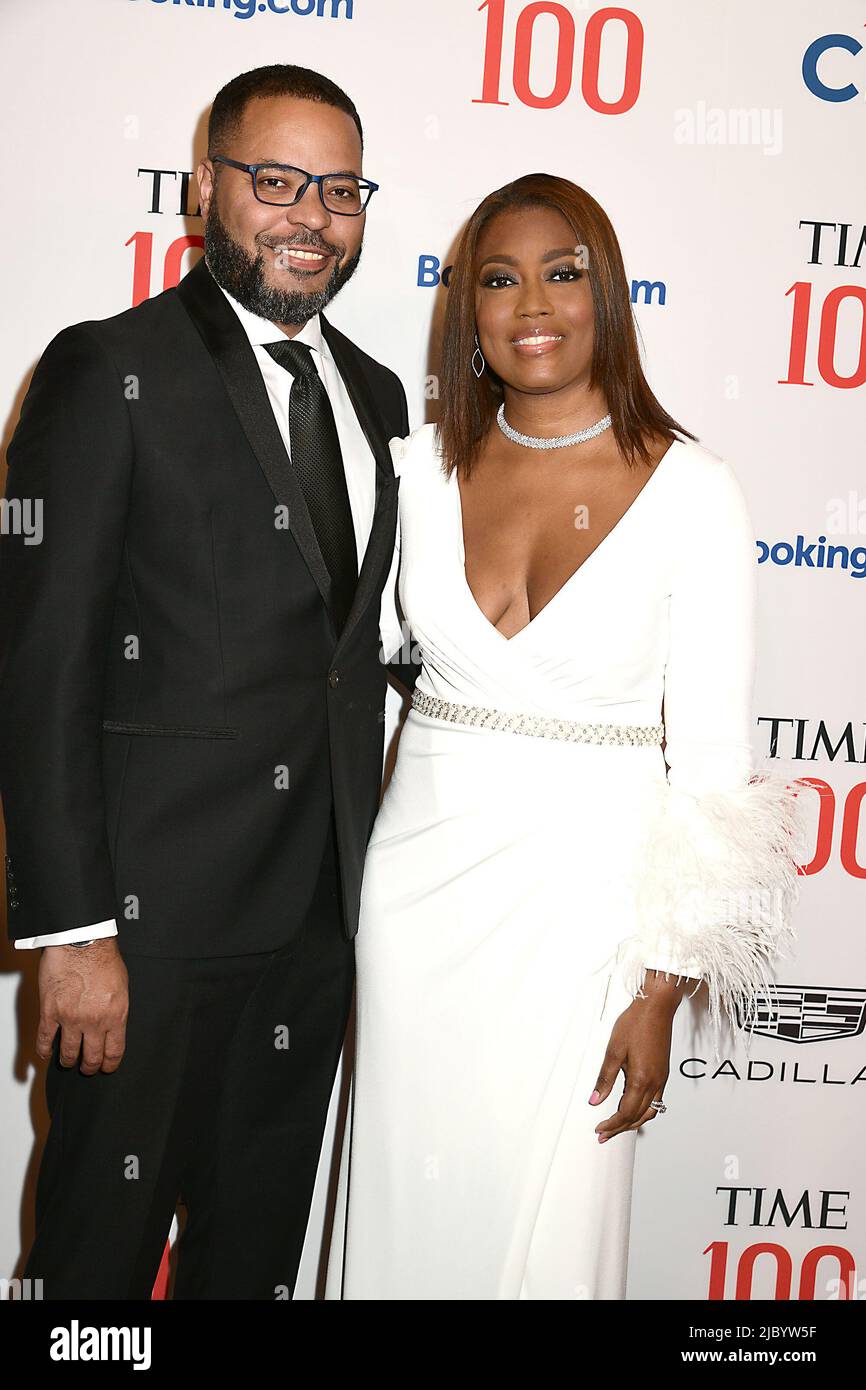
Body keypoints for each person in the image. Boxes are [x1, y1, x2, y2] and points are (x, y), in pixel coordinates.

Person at [325, 173, 809, 1300]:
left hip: (587, 921)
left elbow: (711, 771)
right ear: (467, 311)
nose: (530, 302)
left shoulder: (692, 488)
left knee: (552, 1234)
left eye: (561, 271)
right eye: (499, 278)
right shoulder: (418, 467)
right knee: (407, 1200)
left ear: (607, 294)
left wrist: (661, 987)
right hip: (413, 906)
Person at [0, 64, 417, 1300]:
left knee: (250, 1261)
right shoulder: (101, 370)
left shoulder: (384, 400)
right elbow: (42, 667)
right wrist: (72, 934)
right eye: (275, 181)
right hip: (146, 936)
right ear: (204, 190)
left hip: (313, 935)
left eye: (337, 189)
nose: (309, 216)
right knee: (95, 1265)